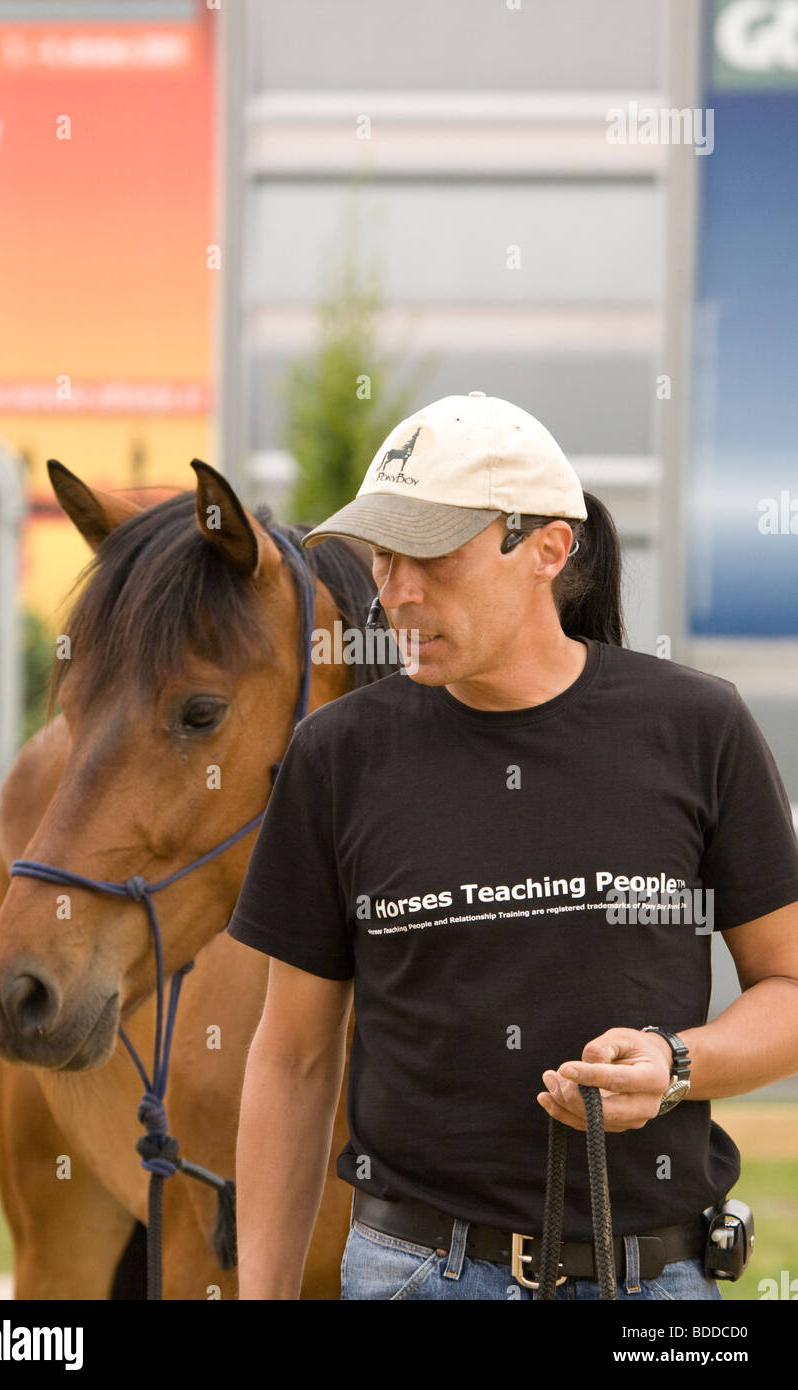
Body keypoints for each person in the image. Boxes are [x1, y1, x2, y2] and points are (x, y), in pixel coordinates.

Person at [226, 392, 798, 1300]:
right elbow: (291, 1058)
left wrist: (677, 1066)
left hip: (658, 1283)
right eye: (383, 554)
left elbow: (789, 989)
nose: (396, 592)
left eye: (433, 557)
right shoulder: (337, 756)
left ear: (547, 549)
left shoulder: (699, 727)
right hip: (413, 1276)